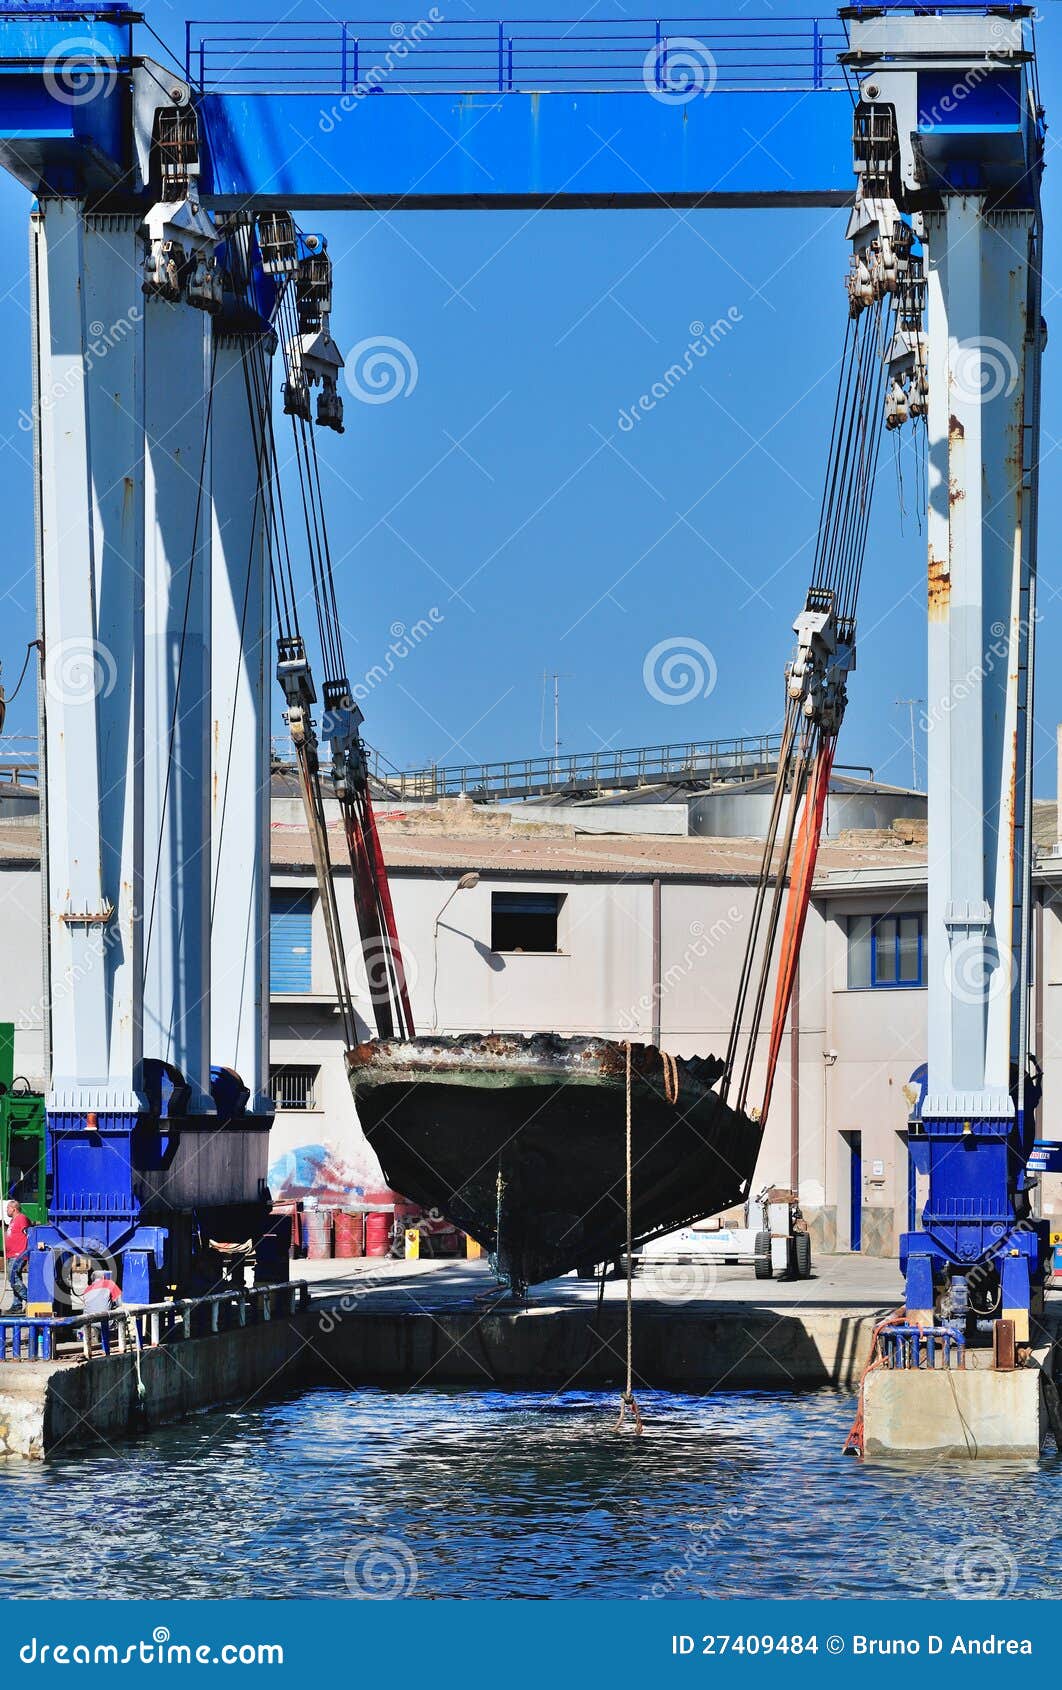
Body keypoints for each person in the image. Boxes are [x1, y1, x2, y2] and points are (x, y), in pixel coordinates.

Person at [82, 1269, 122, 1356]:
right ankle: (107, 1348)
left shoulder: (87, 1289)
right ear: (104, 1277)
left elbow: (86, 1306)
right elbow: (120, 1303)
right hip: (108, 1322)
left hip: (90, 1322)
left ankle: (94, 1337)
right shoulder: (110, 1284)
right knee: (118, 1315)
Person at [4, 1200, 28, 1314]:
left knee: (13, 1277)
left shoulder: (21, 1218)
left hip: (18, 1254)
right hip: (12, 1254)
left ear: (14, 1209)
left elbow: (28, 1232)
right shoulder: (12, 1221)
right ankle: (17, 1305)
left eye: (8, 1208)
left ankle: (30, 1298)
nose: (6, 1210)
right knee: (15, 1278)